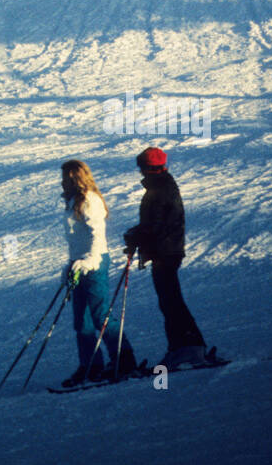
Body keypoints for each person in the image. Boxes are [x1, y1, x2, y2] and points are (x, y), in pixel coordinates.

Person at [123, 148, 208, 369]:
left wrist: (136, 236)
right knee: (169, 300)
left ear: (149, 168)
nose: (140, 173)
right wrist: (137, 235)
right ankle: (186, 346)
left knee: (170, 301)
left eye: (142, 168)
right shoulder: (162, 186)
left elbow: (156, 225)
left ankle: (185, 347)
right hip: (167, 251)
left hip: (166, 252)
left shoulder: (160, 189)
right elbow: (154, 224)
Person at [61, 159, 138, 386]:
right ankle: (90, 365)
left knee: (100, 314)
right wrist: (72, 263)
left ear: (76, 177)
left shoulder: (90, 200)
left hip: (94, 263)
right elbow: (77, 238)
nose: (63, 182)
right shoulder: (73, 201)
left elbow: (97, 233)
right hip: (79, 264)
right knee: (81, 319)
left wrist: (92, 259)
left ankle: (123, 359)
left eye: (66, 177)